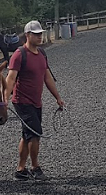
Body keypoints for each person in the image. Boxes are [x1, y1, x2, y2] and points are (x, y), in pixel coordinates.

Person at [4, 20, 65, 181]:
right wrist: (5, 98)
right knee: (35, 133)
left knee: (27, 135)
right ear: (27, 35)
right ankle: (35, 167)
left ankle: (20, 169)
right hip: (22, 101)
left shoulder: (42, 54)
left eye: (40, 34)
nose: (39, 37)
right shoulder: (19, 54)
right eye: (36, 34)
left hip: (36, 101)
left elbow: (47, 77)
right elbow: (10, 79)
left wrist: (57, 97)